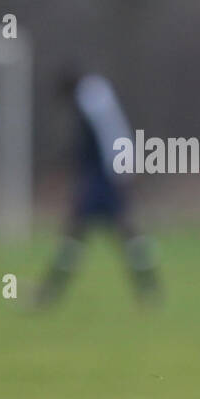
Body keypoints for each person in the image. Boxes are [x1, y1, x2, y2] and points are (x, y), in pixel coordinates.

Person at [36, 70, 160, 307]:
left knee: (81, 235)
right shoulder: (98, 97)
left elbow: (105, 140)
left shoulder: (90, 103)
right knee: (123, 235)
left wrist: (123, 171)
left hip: (103, 180)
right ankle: (149, 289)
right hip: (106, 177)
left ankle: (50, 292)